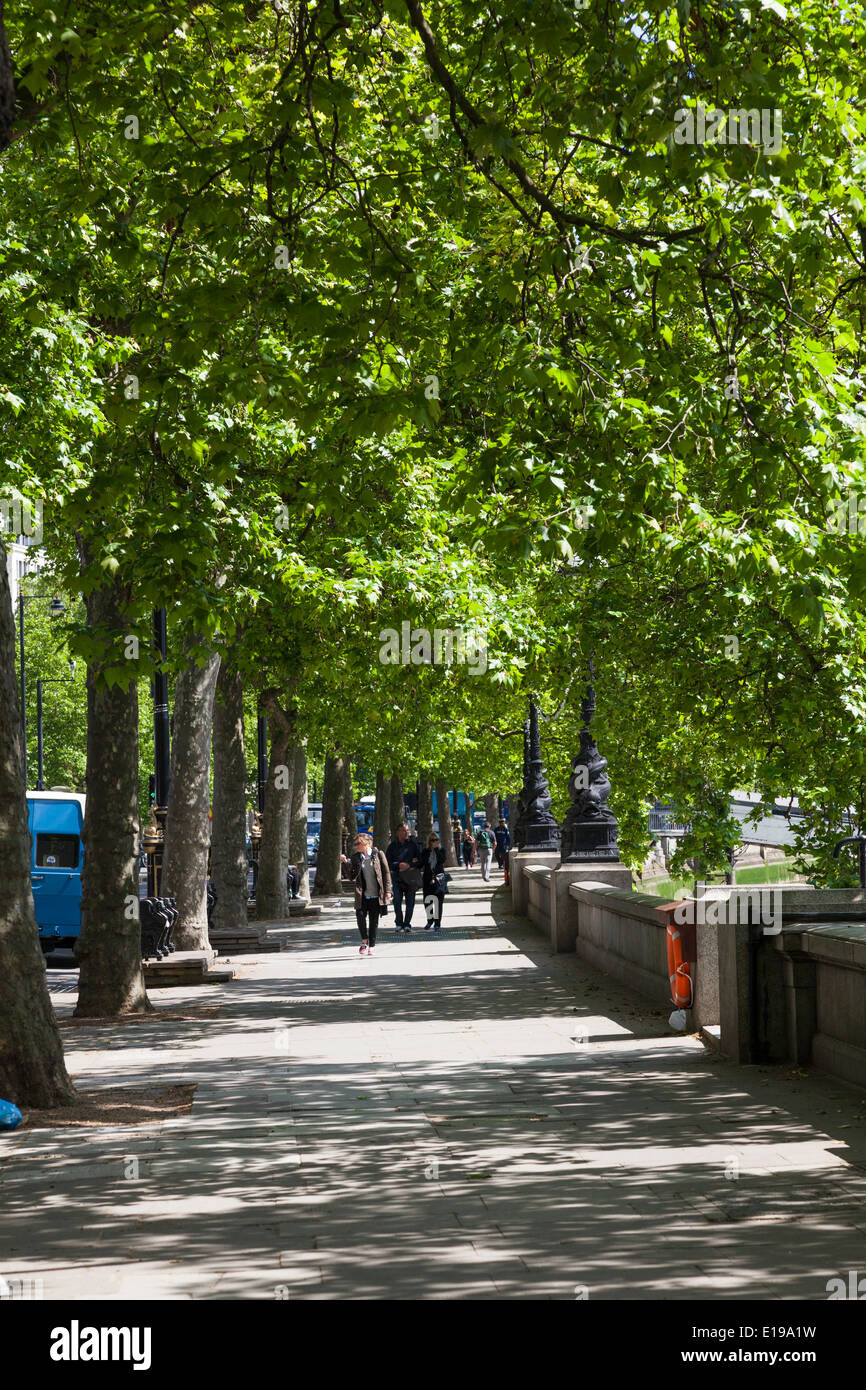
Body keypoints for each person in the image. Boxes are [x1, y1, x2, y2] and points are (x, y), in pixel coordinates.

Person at [341, 833, 391, 956]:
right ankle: (364, 941)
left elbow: (386, 873)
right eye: (355, 844)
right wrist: (345, 863)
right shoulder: (356, 857)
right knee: (360, 917)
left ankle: (372, 945)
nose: (356, 846)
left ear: (366, 843)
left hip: (376, 894)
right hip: (362, 895)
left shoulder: (378, 855)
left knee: (374, 921)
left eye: (358, 843)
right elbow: (351, 877)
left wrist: (388, 891)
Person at [385, 822, 422, 932]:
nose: (406, 832)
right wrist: (398, 865)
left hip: (410, 877)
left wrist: (410, 865)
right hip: (397, 877)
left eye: (407, 830)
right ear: (398, 832)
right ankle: (399, 923)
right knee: (397, 901)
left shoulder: (413, 845)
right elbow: (388, 862)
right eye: (404, 830)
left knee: (410, 902)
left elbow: (420, 861)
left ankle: (407, 924)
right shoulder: (392, 846)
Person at [421, 831, 448, 930]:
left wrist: (436, 849)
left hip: (439, 879)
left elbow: (442, 860)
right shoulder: (425, 851)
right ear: (429, 841)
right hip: (428, 879)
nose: (435, 841)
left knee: (439, 902)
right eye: (433, 840)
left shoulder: (442, 850)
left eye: (437, 840)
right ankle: (430, 919)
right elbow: (422, 863)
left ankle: (437, 923)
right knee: (427, 901)